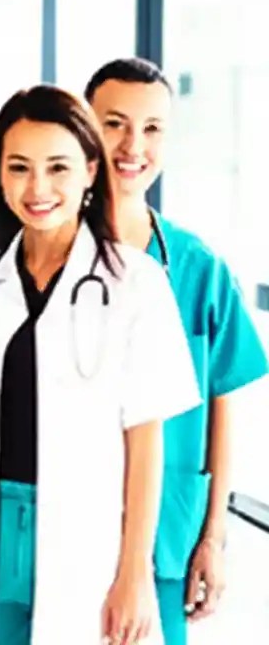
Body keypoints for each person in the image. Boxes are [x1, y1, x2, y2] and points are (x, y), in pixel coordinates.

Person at [0, 84, 200, 644]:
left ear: (91, 170)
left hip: (86, 542)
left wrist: (135, 570)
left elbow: (145, 440)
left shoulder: (136, 283)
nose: (38, 188)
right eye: (19, 167)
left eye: (58, 168)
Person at [85, 58, 269, 644]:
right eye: (114, 124)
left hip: (166, 538)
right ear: (84, 126)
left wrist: (214, 536)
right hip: (59, 525)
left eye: (153, 128)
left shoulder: (198, 269)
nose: (133, 145)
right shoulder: (41, 255)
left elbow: (221, 409)